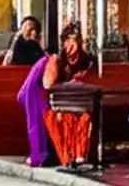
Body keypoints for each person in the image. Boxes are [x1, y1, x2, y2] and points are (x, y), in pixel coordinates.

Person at [41, 27, 97, 167]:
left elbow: (93, 81)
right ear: (64, 42)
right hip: (62, 104)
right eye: (69, 39)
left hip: (83, 103)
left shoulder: (89, 60)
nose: (72, 43)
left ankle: (79, 156)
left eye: (75, 39)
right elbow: (48, 83)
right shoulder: (58, 59)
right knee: (61, 119)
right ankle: (67, 158)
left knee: (84, 119)